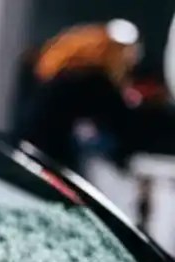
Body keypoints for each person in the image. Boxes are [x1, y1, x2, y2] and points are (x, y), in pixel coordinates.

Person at [16, 23, 142, 173]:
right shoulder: (94, 79)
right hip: (50, 146)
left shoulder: (68, 69)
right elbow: (119, 120)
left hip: (35, 139)